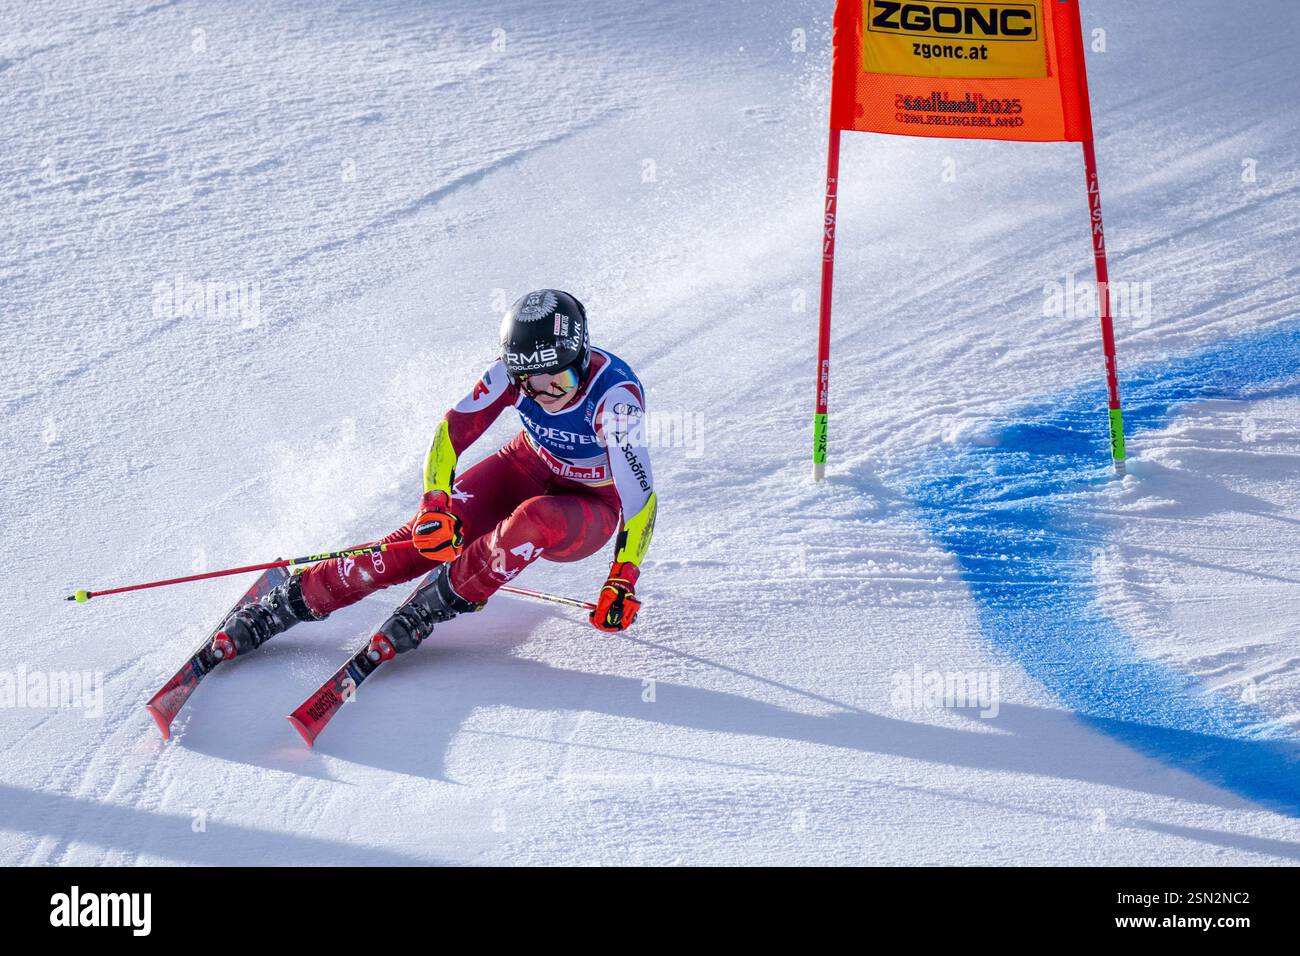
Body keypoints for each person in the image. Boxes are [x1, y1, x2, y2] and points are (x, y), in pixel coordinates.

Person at [212, 289, 656, 661]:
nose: (544, 395)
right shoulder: (508, 373)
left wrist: (623, 576)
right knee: (417, 543)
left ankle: (438, 603)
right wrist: (435, 505)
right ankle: (292, 602)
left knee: (534, 519)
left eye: (556, 380)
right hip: (524, 466)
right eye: (530, 384)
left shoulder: (614, 400)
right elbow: (450, 433)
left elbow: (640, 498)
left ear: (580, 356)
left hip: (588, 508)